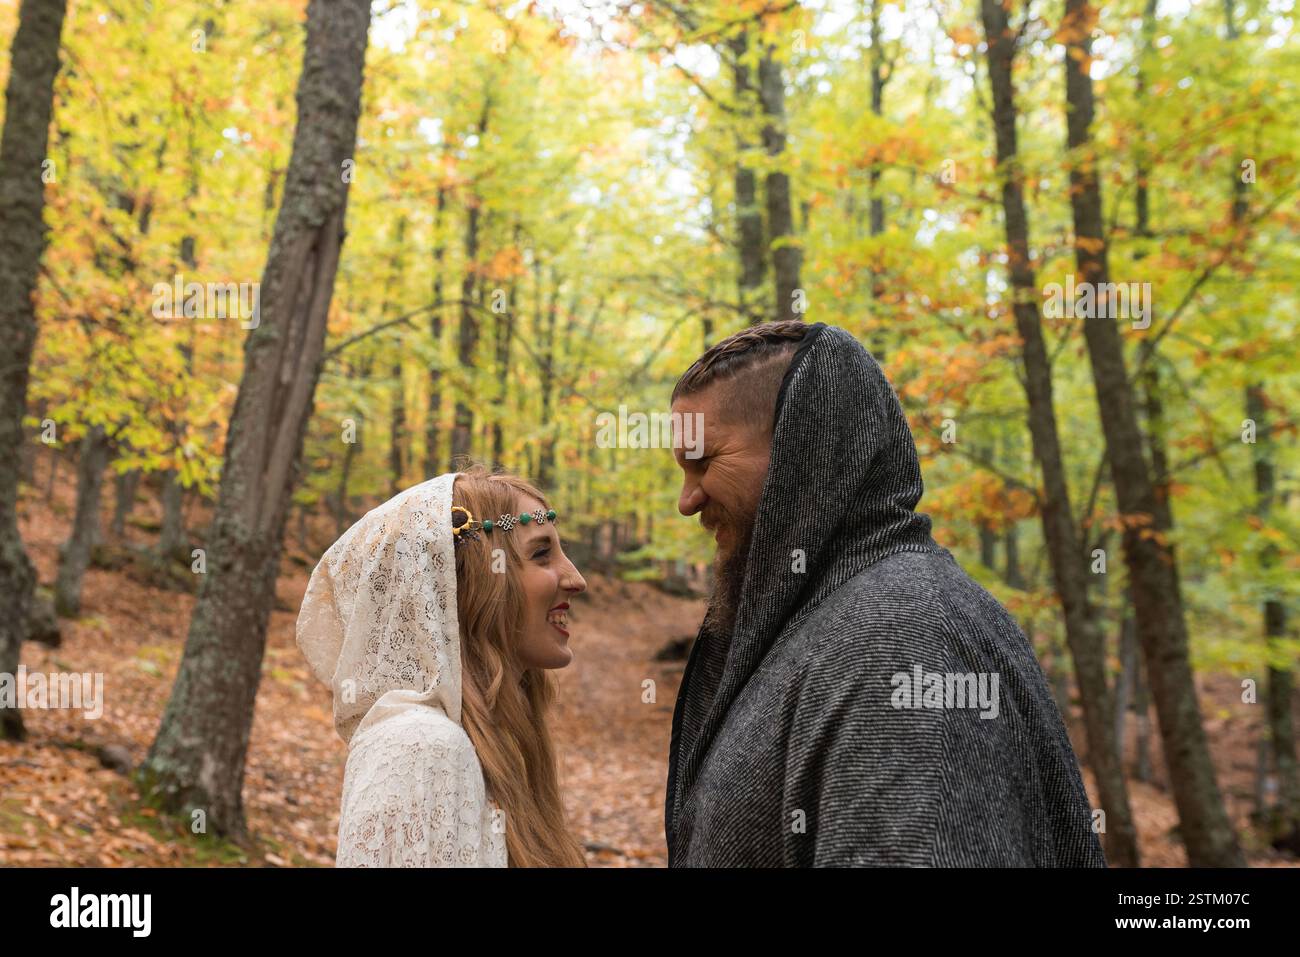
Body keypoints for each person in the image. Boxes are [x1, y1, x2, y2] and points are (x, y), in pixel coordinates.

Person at [664, 320, 1106, 867]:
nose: (687, 501)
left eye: (705, 461)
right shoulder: (830, 624)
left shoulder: (902, 636)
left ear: (808, 449)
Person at [296, 466, 588, 867]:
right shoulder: (420, 747)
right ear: (466, 583)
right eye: (541, 553)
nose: (576, 578)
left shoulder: (484, 743)